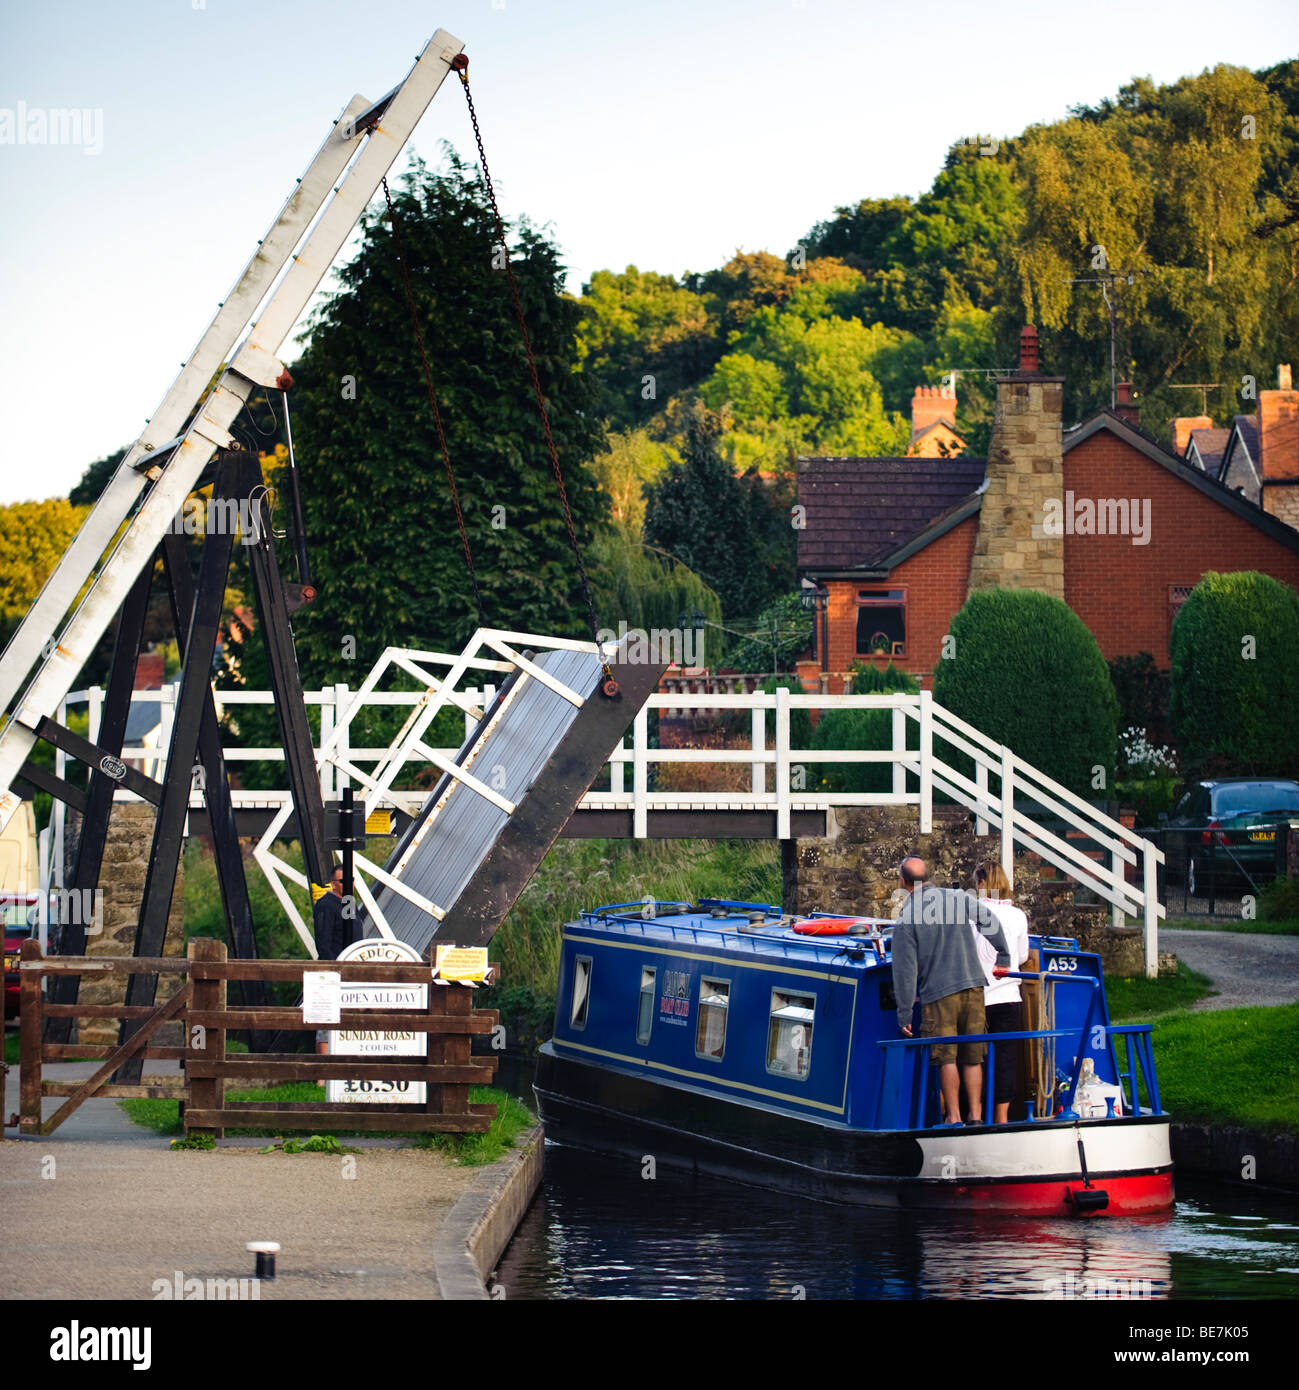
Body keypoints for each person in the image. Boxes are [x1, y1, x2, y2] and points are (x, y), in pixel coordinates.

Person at [892, 855, 1009, 1126]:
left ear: (903, 882)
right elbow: (988, 919)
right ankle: (977, 1116)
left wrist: (905, 1012)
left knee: (946, 1057)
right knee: (972, 1056)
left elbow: (905, 971)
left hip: (938, 993)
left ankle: (954, 1116)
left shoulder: (906, 918)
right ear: (929, 876)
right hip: (973, 986)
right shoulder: (958, 898)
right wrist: (1003, 955)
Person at [975, 861, 1032, 1125]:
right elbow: (1021, 957)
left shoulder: (971, 913)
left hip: (977, 995)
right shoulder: (1019, 916)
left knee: (973, 1058)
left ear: (983, 883)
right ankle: (1001, 1118)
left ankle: (973, 1115)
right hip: (1009, 995)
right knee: (1005, 1060)